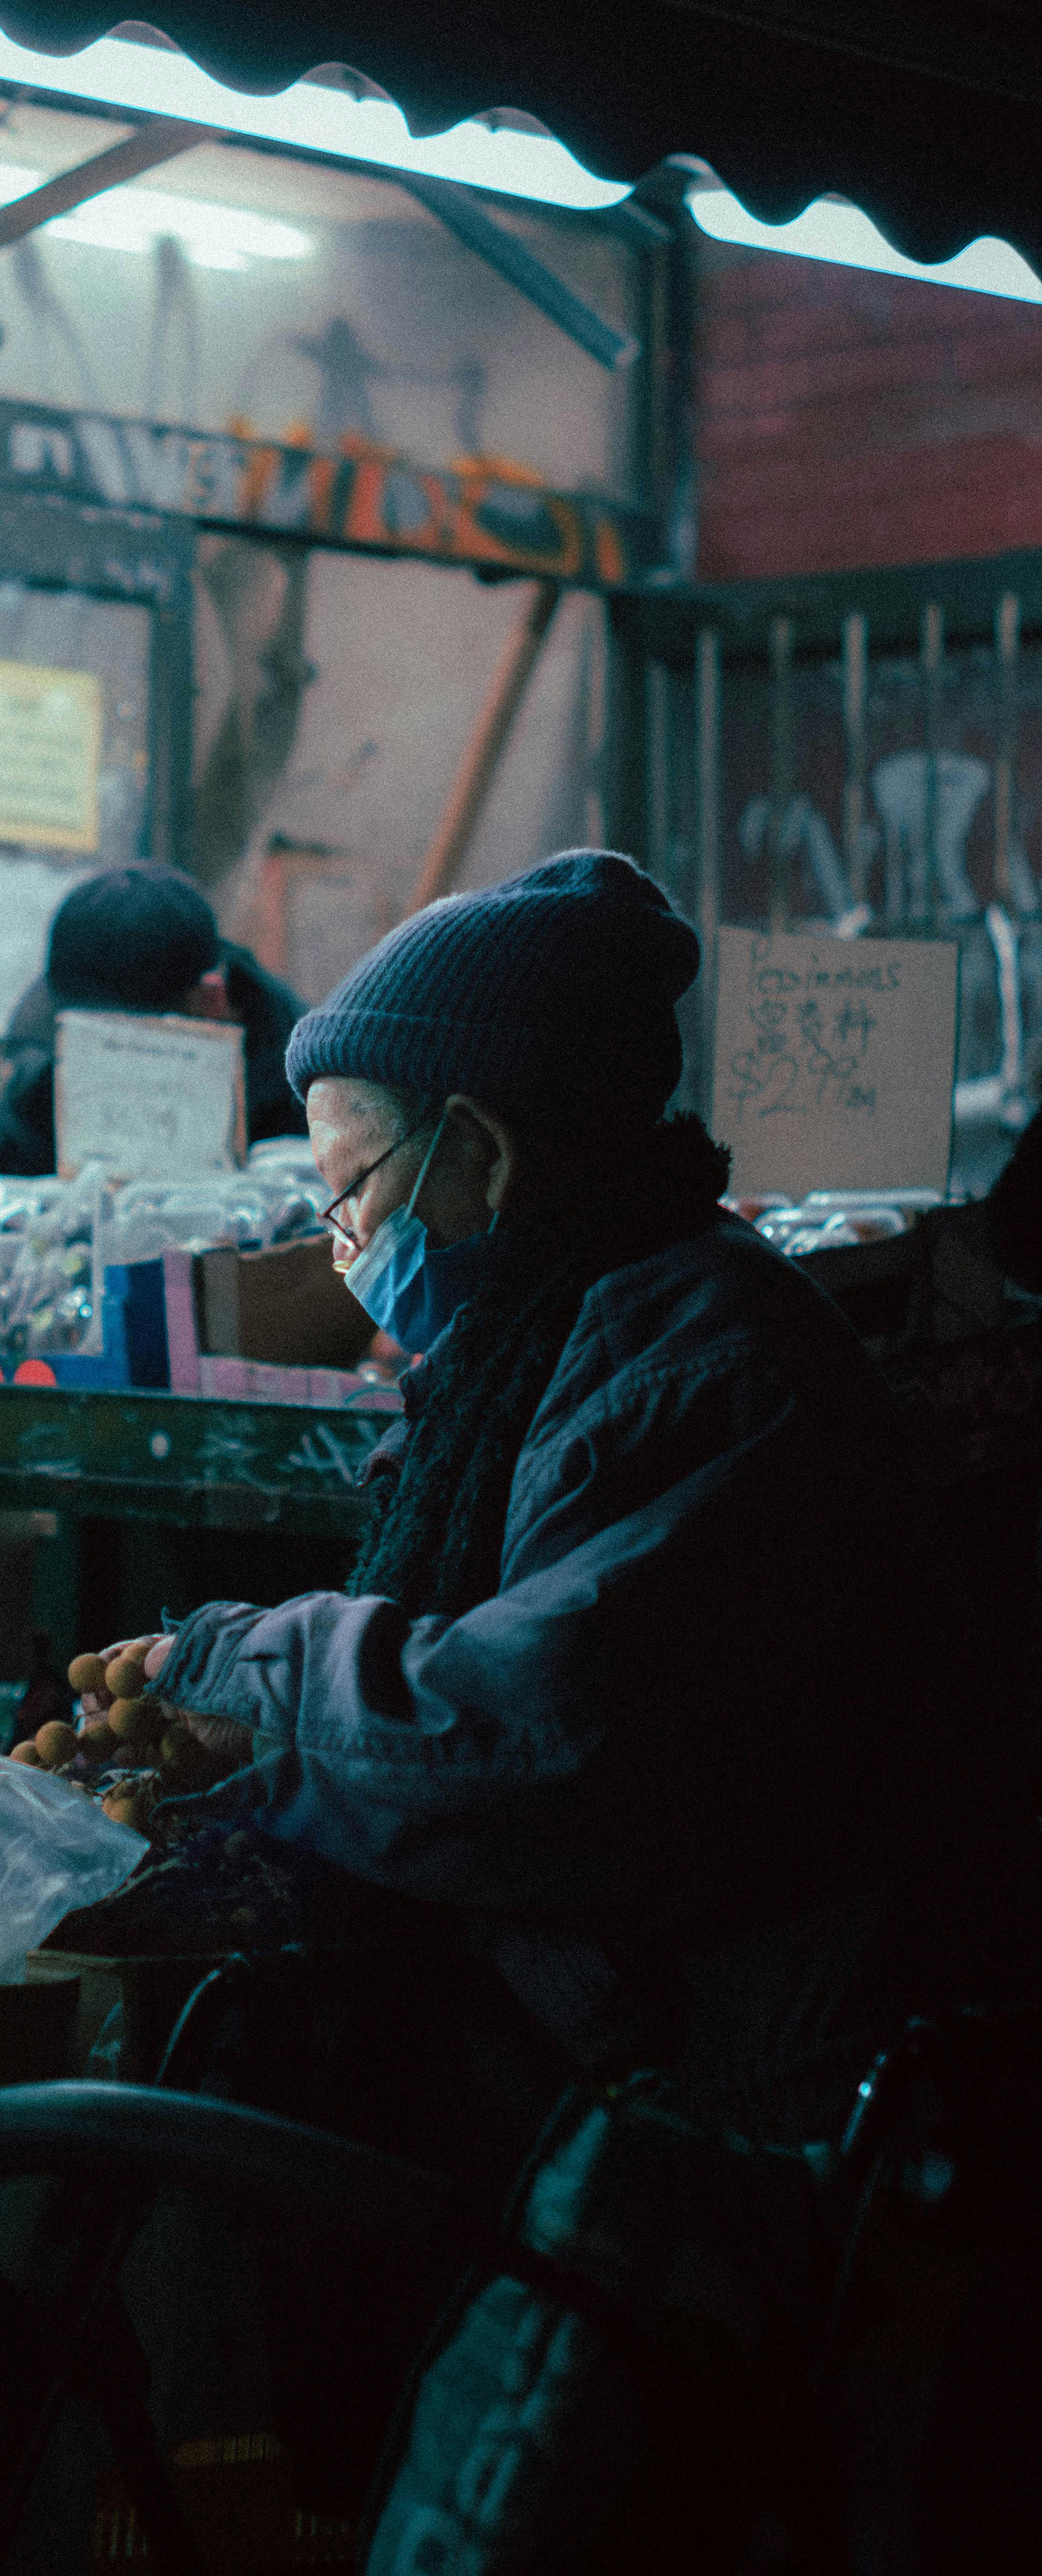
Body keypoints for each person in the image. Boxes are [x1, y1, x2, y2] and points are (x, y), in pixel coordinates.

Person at [83, 850, 1026, 2145]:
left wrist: (253, 1677)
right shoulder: (542, 1336)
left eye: (353, 1186)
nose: (341, 1237)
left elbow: (541, 1735)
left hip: (735, 2113)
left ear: (480, 1147)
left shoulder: (708, 1369)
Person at [0, 861, 305, 1177]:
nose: (103, 1065)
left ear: (211, 1001)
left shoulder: (309, 1094)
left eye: (123, 1044)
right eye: (88, 1038)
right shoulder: (46, 1067)